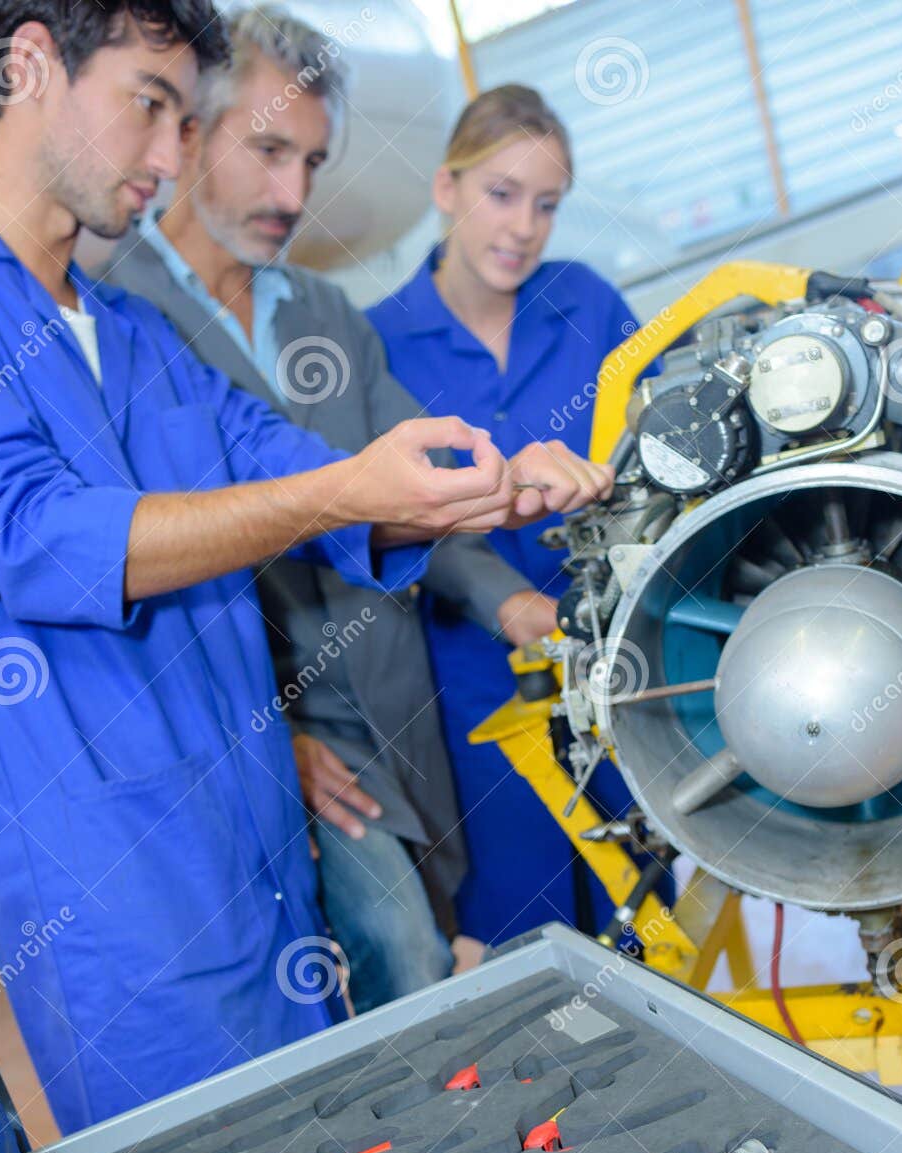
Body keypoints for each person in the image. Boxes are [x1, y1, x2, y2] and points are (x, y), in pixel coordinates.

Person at [0, 3, 601, 1132]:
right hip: (122, 904)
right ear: (30, 64)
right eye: (150, 106)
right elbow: (26, 532)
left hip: (260, 866)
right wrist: (343, 491)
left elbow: (304, 470)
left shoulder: (129, 336)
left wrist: (478, 480)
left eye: (188, 122)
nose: (168, 159)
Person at [101, 6, 578, 1015]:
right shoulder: (117, 318)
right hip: (274, 729)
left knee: (436, 952)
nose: (294, 193)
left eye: (313, 162)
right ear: (189, 133)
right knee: (400, 959)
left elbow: (421, 493)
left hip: (395, 713)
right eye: (269, 150)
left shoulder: (325, 318)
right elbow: (129, 577)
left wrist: (514, 604)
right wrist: (268, 746)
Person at [369, 85, 659, 945]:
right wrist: (512, 604)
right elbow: (391, 526)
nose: (524, 226)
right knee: (527, 932)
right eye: (501, 194)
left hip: (618, 660)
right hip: (475, 687)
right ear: (446, 187)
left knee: (650, 911)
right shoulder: (374, 342)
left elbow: (662, 439)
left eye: (547, 204)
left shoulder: (589, 303)